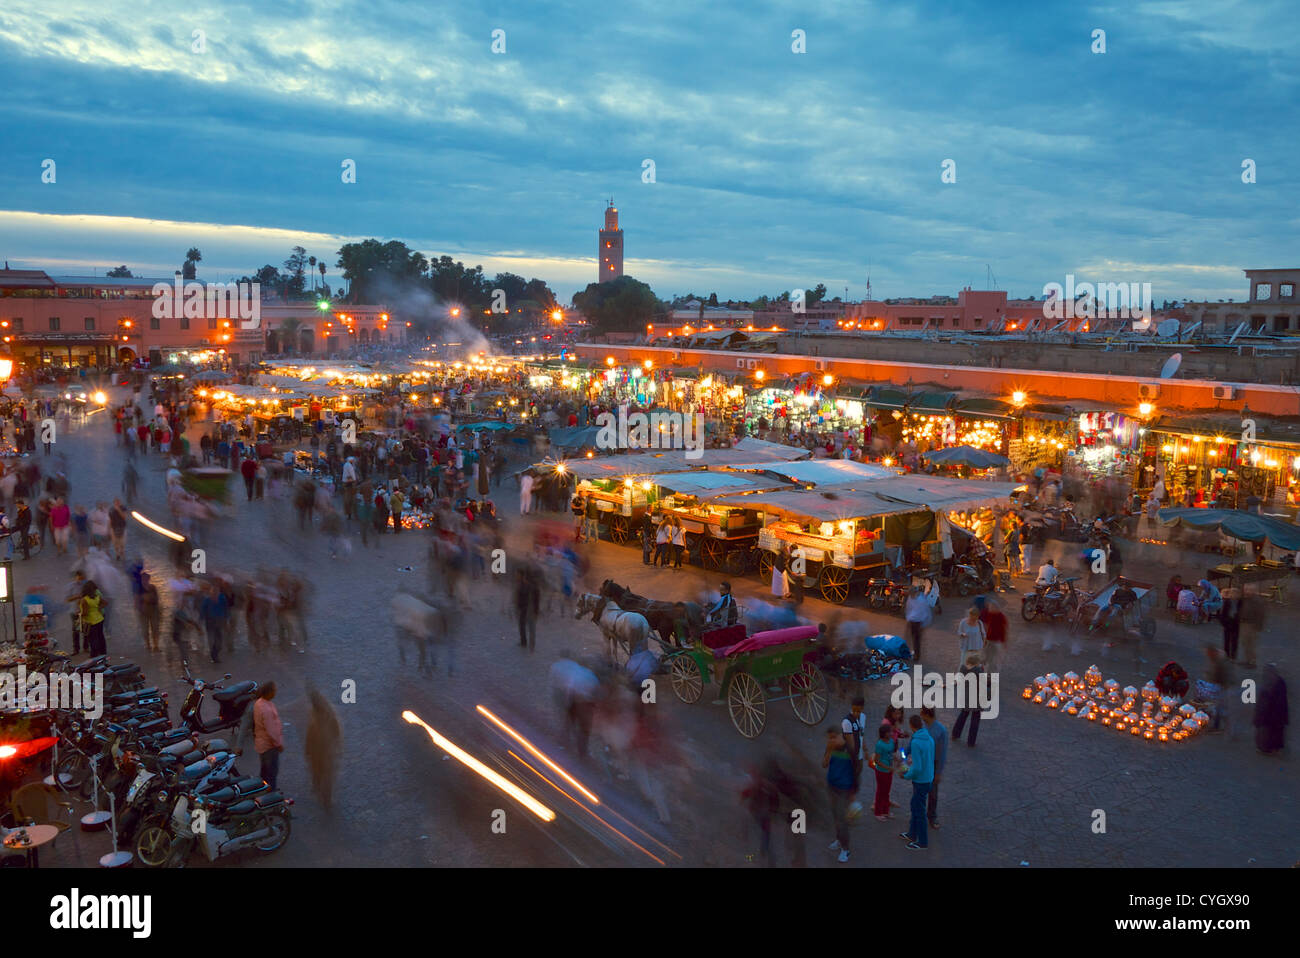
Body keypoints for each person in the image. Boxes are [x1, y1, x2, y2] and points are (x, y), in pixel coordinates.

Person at [304, 687, 342, 810]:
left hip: (321, 752)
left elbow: (310, 735)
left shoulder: (318, 718)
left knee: (322, 773)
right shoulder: (326, 716)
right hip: (323, 752)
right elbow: (335, 731)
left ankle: (323, 793)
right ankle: (324, 794)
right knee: (324, 774)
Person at [899, 714, 933, 850]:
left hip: (920, 781)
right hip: (928, 778)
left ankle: (922, 841)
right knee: (915, 805)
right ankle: (912, 834)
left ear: (912, 726)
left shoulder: (916, 742)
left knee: (919, 810)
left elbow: (917, 767)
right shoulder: (928, 738)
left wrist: (906, 775)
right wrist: (903, 755)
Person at [823, 728, 854, 863]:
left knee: (842, 819)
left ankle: (846, 849)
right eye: (830, 738)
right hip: (832, 787)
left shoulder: (849, 750)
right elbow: (824, 764)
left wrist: (853, 792)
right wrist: (829, 750)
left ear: (842, 736)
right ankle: (839, 839)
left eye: (834, 737)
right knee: (835, 816)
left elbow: (856, 771)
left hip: (844, 789)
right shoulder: (831, 748)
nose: (832, 740)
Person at [253, 682, 284, 789]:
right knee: (271, 774)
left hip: (261, 744)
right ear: (269, 692)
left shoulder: (259, 703)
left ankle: (262, 791)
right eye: (274, 691)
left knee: (264, 772)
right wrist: (278, 744)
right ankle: (270, 796)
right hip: (269, 746)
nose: (275, 693)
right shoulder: (266, 709)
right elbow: (271, 730)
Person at [921, 706, 947, 831]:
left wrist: (938, 772)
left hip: (933, 764)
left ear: (926, 714)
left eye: (922, 713)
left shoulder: (941, 730)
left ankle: (932, 815)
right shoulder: (923, 727)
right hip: (923, 762)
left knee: (933, 793)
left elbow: (942, 753)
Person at [950, 652, 985, 746]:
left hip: (966, 696)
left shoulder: (963, 669)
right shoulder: (978, 671)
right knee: (975, 719)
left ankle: (955, 734)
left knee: (963, 715)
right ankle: (971, 741)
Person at [1254, 663, 1288, 754]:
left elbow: (1278, 701)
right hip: (1272, 713)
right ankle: (1270, 748)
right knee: (1273, 732)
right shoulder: (1276, 681)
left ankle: (1269, 748)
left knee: (1273, 732)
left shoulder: (1275, 683)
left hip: (1274, 714)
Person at [869, 722, 897, 821]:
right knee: (881, 792)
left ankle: (885, 811)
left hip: (889, 770)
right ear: (885, 733)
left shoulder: (891, 742)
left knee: (886, 792)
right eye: (889, 732)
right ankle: (878, 812)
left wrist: (896, 759)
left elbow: (891, 754)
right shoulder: (879, 745)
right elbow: (877, 761)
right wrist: (888, 768)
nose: (891, 733)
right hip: (881, 771)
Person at [978, 596, 1007, 674]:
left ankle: (989, 674)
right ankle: (981, 669)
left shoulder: (1000, 616)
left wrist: (1004, 641)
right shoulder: (985, 613)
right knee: (984, 656)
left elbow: (1005, 629)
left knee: (993, 659)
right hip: (987, 640)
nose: (990, 608)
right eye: (989, 606)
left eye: (992, 607)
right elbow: (982, 625)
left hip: (995, 641)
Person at [79, 580, 108, 657]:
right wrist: (99, 608)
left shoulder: (84, 600)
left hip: (90, 621)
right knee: (100, 636)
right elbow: (105, 603)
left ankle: (94, 653)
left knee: (92, 638)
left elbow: (85, 612)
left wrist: (80, 615)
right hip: (99, 618)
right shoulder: (97, 597)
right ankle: (103, 651)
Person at [904, 586, 932, 663]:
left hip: (919, 622)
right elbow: (908, 608)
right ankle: (909, 652)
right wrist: (908, 618)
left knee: (917, 640)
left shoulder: (922, 600)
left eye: (912, 594)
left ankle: (917, 656)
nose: (911, 596)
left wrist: (924, 625)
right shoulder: (911, 598)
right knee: (909, 637)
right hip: (912, 620)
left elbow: (926, 613)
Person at [956, 605, 986, 670]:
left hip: (977, 649)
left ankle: (975, 679)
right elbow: (959, 632)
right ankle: (959, 679)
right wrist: (963, 634)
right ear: (969, 615)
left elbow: (984, 634)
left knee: (977, 667)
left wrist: (983, 645)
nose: (974, 619)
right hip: (967, 649)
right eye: (972, 616)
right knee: (963, 665)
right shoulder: (963, 622)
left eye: (976, 617)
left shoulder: (980, 623)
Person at [1218, 587, 1243, 660]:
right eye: (1233, 593)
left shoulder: (1240, 602)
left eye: (1236, 594)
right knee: (1227, 640)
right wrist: (1224, 623)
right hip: (1228, 623)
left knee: (1234, 640)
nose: (1234, 595)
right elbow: (1222, 614)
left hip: (1236, 623)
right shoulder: (1227, 602)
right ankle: (1226, 655)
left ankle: (1233, 656)